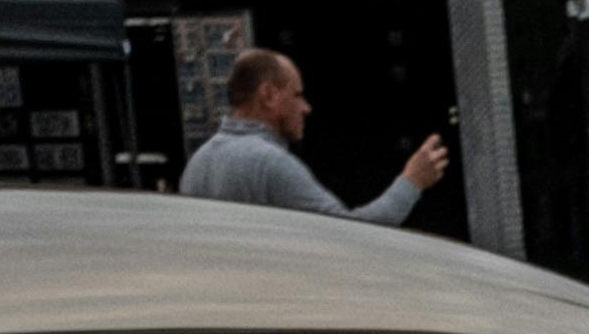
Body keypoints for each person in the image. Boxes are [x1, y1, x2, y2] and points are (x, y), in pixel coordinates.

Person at [180, 49, 446, 222]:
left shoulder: (197, 164)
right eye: (297, 95)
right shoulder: (270, 163)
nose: (306, 108)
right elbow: (354, 234)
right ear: (269, 95)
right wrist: (412, 181)